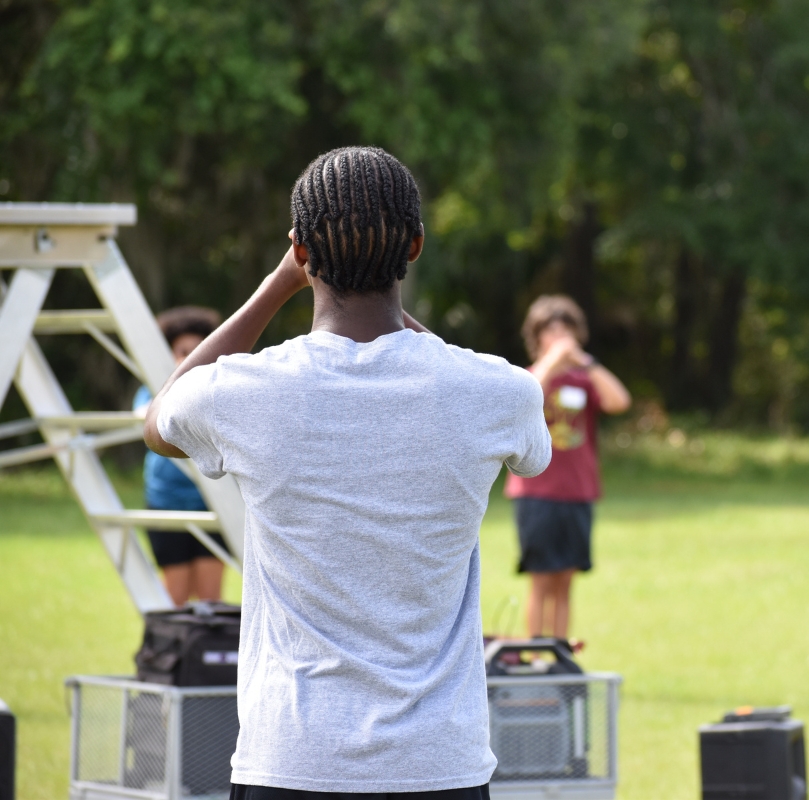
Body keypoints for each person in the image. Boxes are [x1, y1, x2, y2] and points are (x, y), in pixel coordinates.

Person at [142, 146, 551, 798]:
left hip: (291, 761)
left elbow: (159, 418)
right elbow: (495, 411)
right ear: (414, 247)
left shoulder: (246, 392)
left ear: (301, 252)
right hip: (439, 764)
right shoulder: (500, 393)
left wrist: (279, 283)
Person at [504, 296, 630, 641]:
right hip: (536, 493)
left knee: (566, 581)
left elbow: (619, 401)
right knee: (541, 578)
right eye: (551, 330)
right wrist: (553, 360)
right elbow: (522, 394)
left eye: (566, 330)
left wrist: (587, 364)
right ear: (537, 336)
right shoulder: (530, 378)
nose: (560, 337)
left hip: (577, 491)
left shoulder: (584, 380)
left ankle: (559, 654)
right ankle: (535, 652)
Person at [133, 306, 226, 607]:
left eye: (196, 350)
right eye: (182, 350)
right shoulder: (154, 389)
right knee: (176, 598)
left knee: (211, 600)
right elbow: (143, 412)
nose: (188, 357)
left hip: (211, 502)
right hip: (166, 502)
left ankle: (207, 655)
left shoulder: (217, 389)